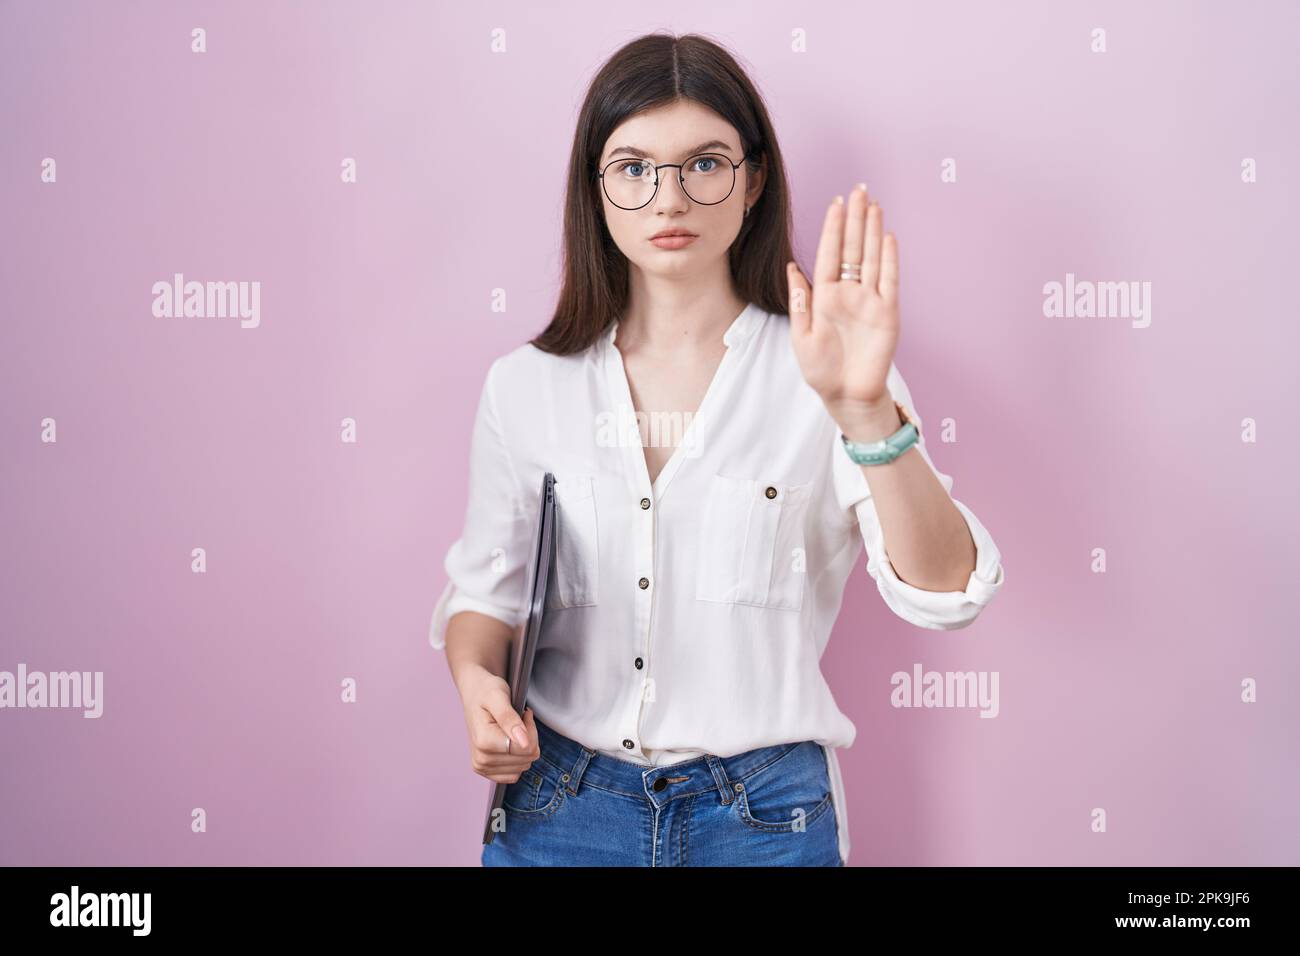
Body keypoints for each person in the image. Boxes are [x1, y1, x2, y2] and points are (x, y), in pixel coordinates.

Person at [428, 32, 1006, 866]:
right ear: (594, 190)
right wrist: (477, 682)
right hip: (561, 809)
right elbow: (485, 592)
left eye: (705, 164)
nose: (670, 199)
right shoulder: (525, 387)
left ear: (754, 181)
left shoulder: (832, 369)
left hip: (765, 821)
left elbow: (950, 593)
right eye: (633, 168)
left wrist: (867, 412)